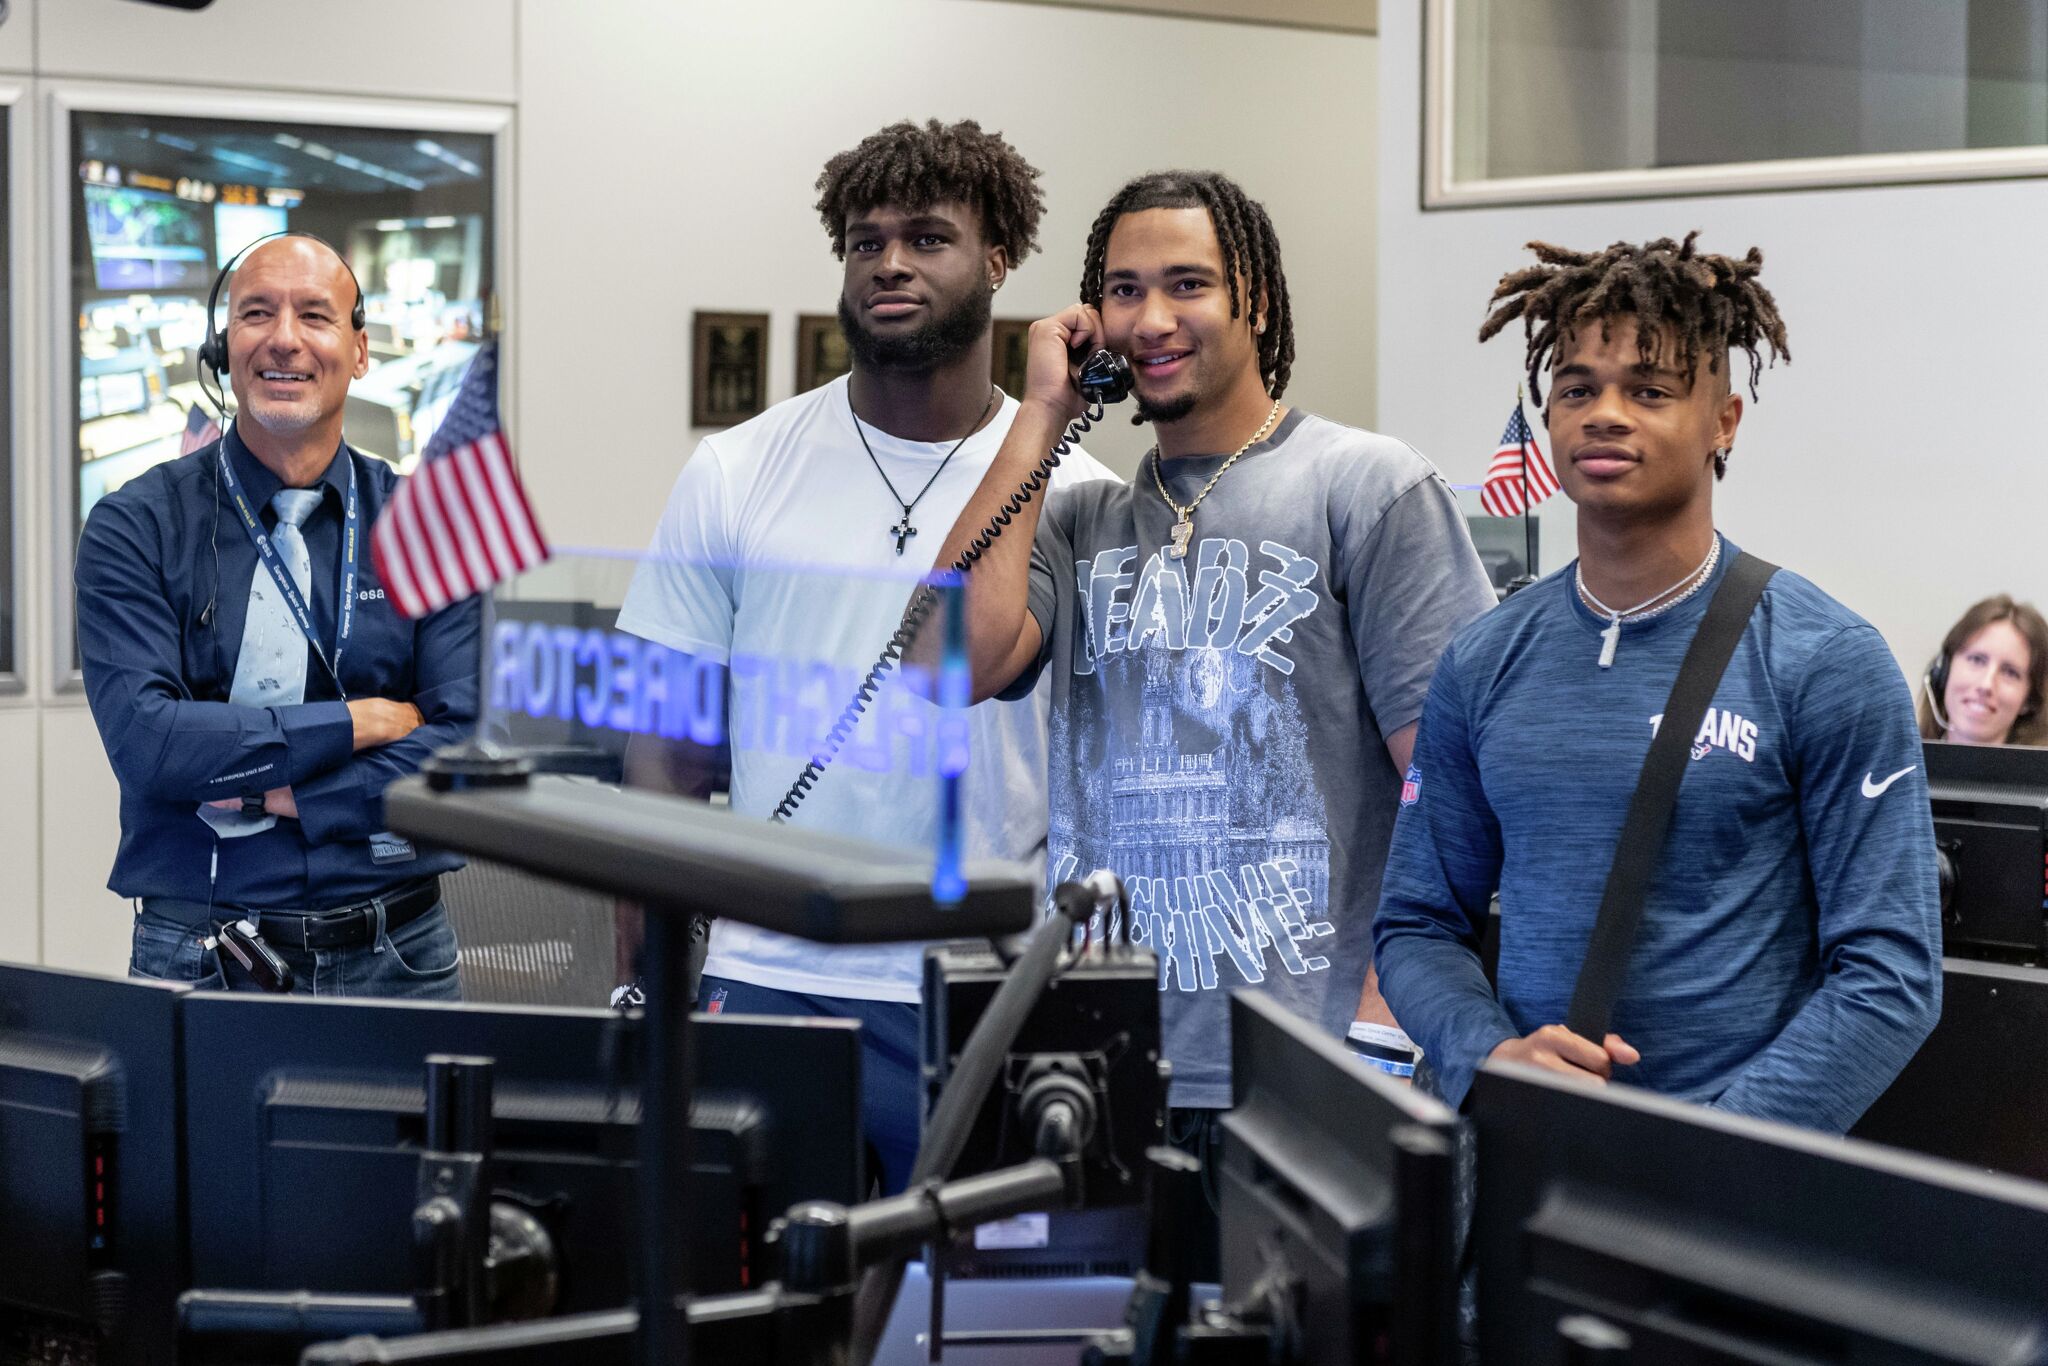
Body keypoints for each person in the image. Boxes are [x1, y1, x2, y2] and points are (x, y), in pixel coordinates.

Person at [933, 170, 1495, 1132]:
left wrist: (1390, 1010)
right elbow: (948, 665)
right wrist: (1038, 418)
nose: (1152, 318)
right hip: (1102, 1061)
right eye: (1123, 290)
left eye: (1187, 284)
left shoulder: (1364, 486)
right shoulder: (1076, 517)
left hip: (1307, 1060)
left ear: (1257, 300)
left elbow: (1449, 789)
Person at [613, 119, 1115, 1194]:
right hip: (770, 973)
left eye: (927, 238)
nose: (888, 262)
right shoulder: (736, 469)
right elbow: (661, 754)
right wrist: (649, 984)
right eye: (863, 240)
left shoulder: (1070, 488)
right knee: (765, 1316)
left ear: (997, 260)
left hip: (981, 982)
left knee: (969, 1328)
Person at [1374, 233, 1942, 1134]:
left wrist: (1708, 1157)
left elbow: (1891, 978)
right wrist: (1488, 1057)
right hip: (1529, 1180)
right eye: (1576, 388)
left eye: (1649, 390)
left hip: (1727, 1203)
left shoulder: (1825, 660)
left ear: (1725, 419)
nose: (1604, 413)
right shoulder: (1482, 660)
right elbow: (1415, 924)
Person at [77, 232, 480, 1000]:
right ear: (223, 348)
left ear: (360, 351)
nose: (284, 340)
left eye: (315, 316)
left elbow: (464, 751)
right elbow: (150, 744)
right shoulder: (135, 526)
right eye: (257, 313)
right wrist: (361, 723)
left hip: (400, 952)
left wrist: (285, 794)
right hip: (201, 948)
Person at [1918, 595, 2047, 747]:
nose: (1986, 685)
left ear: (2030, 700)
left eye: (2010, 672)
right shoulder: (1895, 763)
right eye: (1977, 660)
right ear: (1943, 671)